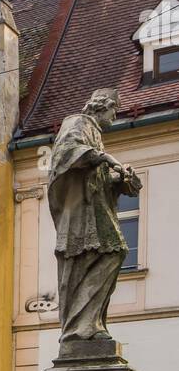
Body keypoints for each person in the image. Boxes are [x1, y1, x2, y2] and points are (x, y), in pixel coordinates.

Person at [47, 88, 141, 345]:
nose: (114, 117)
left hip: (96, 208)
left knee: (113, 252)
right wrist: (104, 158)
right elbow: (65, 153)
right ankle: (80, 325)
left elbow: (94, 178)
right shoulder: (76, 122)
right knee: (111, 252)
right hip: (81, 213)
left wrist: (120, 181)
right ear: (102, 107)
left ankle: (91, 322)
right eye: (114, 111)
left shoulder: (95, 133)